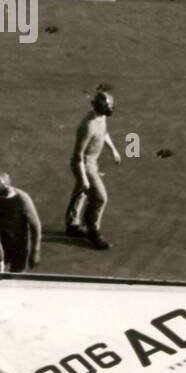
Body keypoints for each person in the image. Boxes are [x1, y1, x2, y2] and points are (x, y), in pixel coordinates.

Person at [65, 86, 121, 250]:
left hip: (93, 162)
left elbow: (104, 133)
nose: (110, 109)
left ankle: (72, 225)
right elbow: (78, 156)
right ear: (99, 106)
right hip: (85, 165)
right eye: (107, 106)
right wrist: (83, 178)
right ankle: (92, 230)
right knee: (100, 198)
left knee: (81, 193)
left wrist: (113, 149)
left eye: (111, 106)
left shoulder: (101, 118)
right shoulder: (87, 126)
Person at [0, 172, 41, 273]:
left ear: (6, 189)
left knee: (17, 276)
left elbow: (35, 226)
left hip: (19, 243)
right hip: (0, 240)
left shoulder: (23, 199)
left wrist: (35, 251)